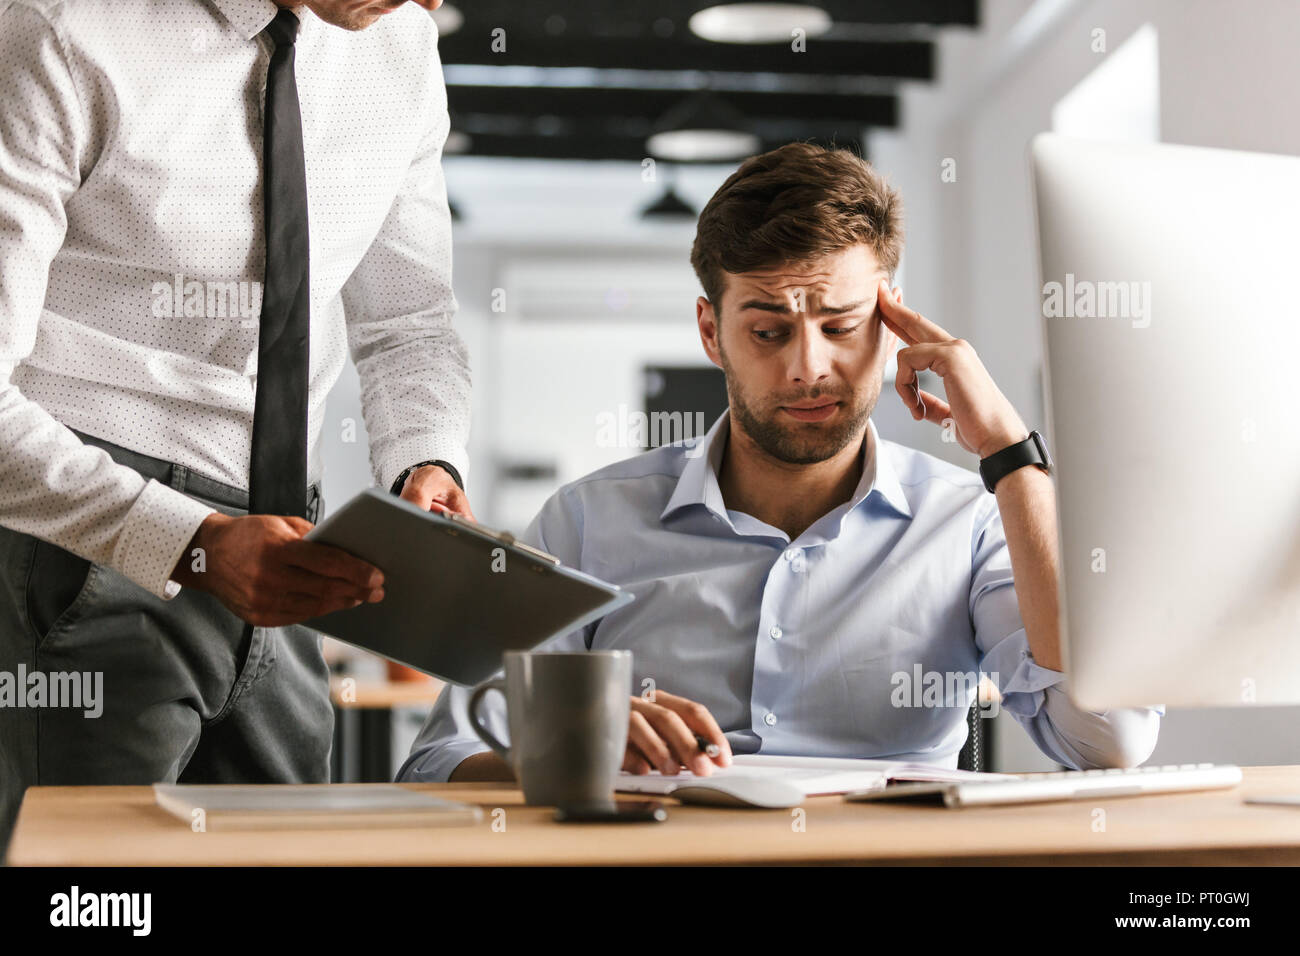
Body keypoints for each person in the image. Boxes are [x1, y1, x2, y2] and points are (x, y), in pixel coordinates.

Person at [400, 142, 1161, 784]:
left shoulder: (967, 522)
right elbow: (440, 757)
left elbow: (1108, 740)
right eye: (769, 332)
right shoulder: (588, 519)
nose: (808, 368)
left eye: (841, 325)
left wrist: (1011, 454)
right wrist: (575, 748)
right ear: (711, 330)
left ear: (892, 321)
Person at [0, 0, 470, 850]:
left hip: (292, 542)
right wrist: (193, 541)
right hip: (92, 544)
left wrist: (424, 463)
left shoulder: (401, 44)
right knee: (96, 902)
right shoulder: (57, 28)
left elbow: (410, 324)